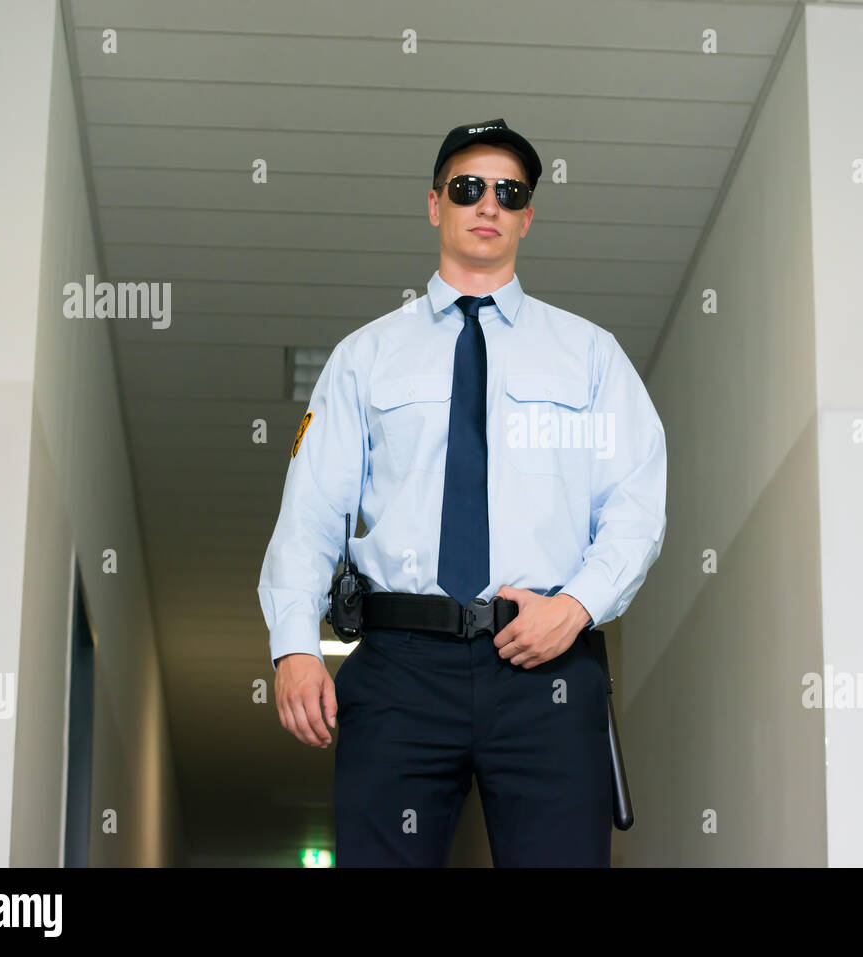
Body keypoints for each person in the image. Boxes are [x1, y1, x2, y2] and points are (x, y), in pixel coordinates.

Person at [256, 118, 667, 866]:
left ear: (528, 216)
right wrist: (293, 646)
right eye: (468, 187)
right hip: (401, 667)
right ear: (435, 204)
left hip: (545, 664)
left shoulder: (590, 355)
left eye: (510, 192)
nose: (489, 204)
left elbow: (636, 508)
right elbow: (310, 513)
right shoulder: (364, 357)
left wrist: (574, 607)